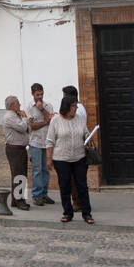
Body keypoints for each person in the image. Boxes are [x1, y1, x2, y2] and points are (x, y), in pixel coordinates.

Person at [46, 93, 93, 224]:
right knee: (65, 186)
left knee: (82, 186)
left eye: (76, 106)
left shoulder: (79, 119)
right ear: (67, 107)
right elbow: (49, 141)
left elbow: (85, 132)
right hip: (61, 159)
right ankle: (67, 213)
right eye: (73, 106)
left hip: (79, 158)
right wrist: (49, 159)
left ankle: (87, 213)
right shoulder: (56, 120)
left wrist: (88, 137)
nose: (76, 108)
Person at [26, 83, 54, 206]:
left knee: (46, 169)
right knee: (37, 169)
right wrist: (44, 122)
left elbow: (51, 120)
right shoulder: (29, 107)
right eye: (37, 95)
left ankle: (44, 193)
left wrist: (42, 109)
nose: (40, 97)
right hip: (35, 142)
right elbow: (32, 126)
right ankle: (37, 195)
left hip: (47, 141)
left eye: (41, 94)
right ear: (32, 94)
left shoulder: (48, 105)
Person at [2, 96, 31, 210]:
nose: (19, 105)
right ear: (11, 105)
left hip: (20, 148)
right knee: (18, 174)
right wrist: (24, 118)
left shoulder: (16, 115)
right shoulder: (9, 116)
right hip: (14, 149)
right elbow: (23, 127)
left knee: (22, 174)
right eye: (17, 103)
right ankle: (19, 201)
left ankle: (17, 199)